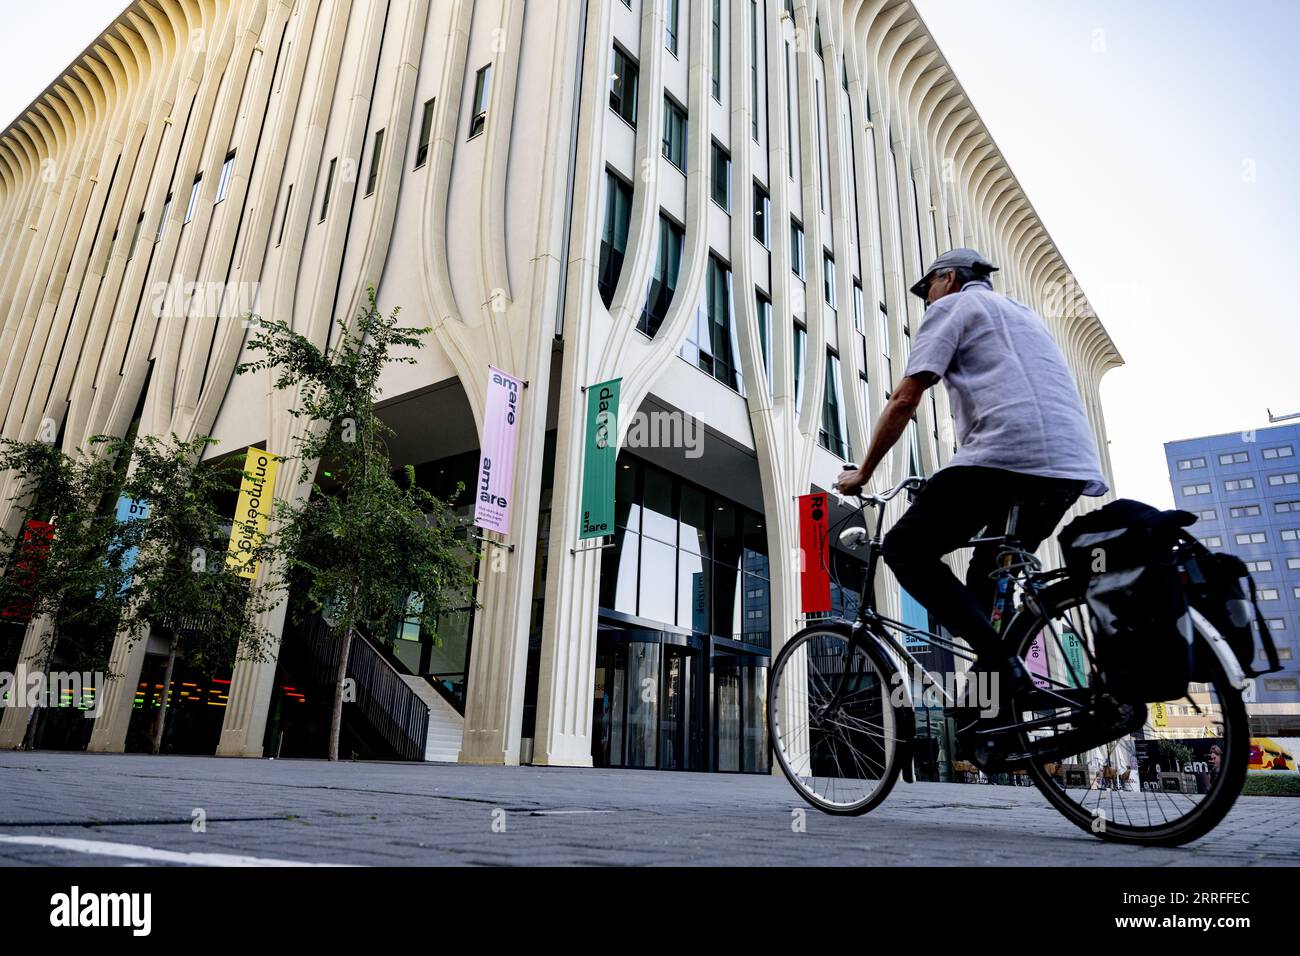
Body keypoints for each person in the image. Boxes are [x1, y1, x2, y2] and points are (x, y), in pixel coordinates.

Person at [835, 248, 1108, 728]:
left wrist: (864, 473)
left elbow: (905, 398)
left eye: (927, 288)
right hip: (1068, 467)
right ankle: (987, 713)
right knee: (987, 580)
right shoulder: (1023, 315)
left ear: (949, 277)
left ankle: (1008, 670)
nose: (927, 299)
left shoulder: (953, 307)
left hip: (1006, 457)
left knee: (906, 550)